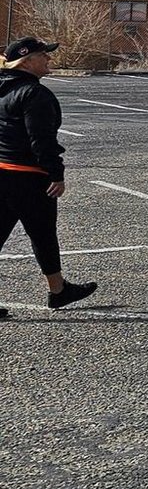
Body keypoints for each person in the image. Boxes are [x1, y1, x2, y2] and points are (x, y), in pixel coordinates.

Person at [0, 37, 96, 315]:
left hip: (3, 172)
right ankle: (58, 291)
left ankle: (59, 290)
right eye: (44, 55)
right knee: (43, 235)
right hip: (29, 177)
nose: (49, 59)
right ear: (27, 60)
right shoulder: (34, 94)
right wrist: (56, 173)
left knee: (36, 235)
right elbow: (41, 140)